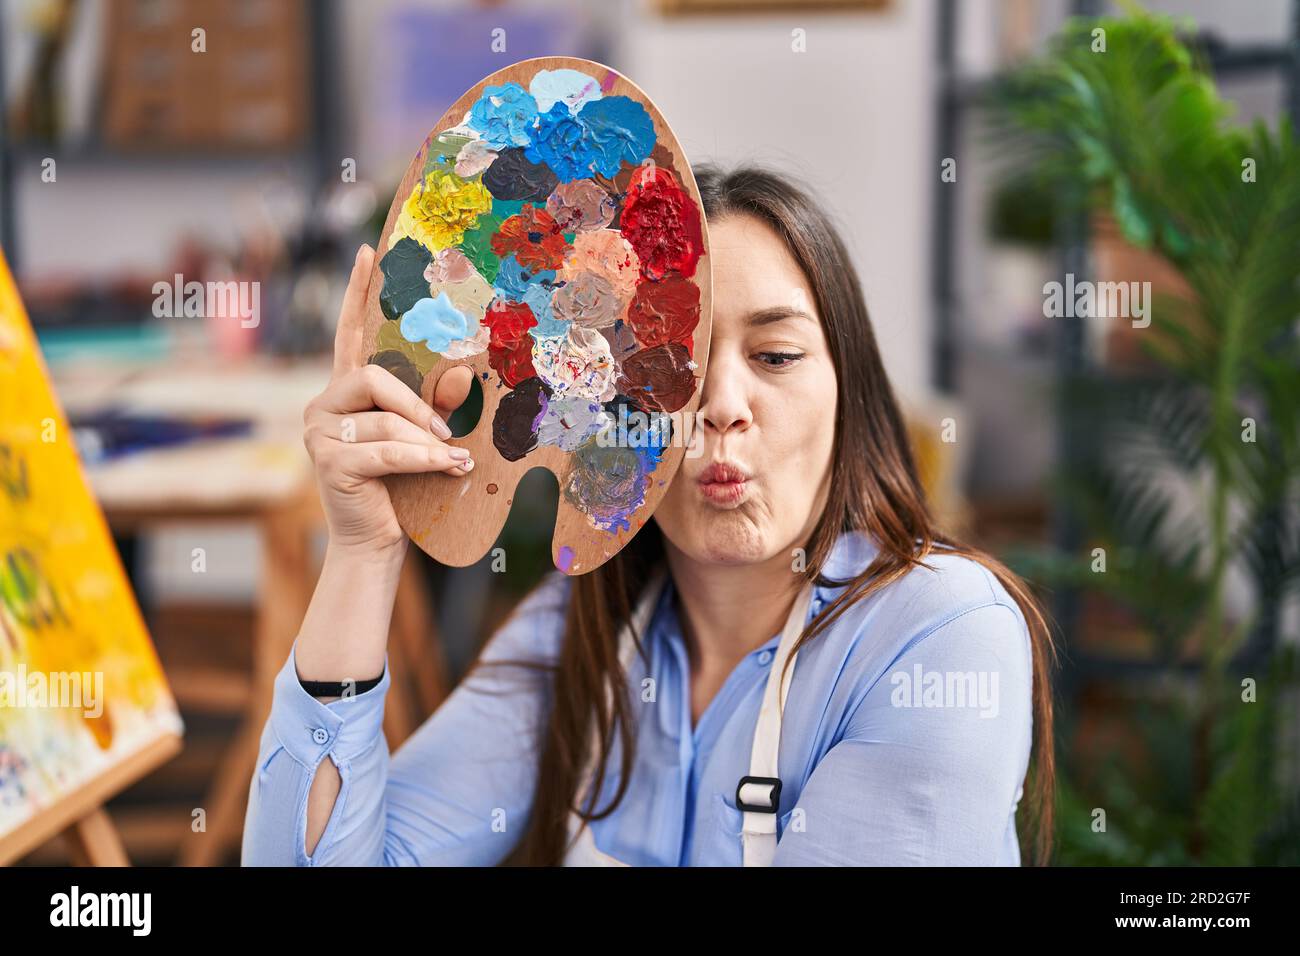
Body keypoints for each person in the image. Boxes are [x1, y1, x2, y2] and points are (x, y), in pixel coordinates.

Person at [242, 164, 1057, 867]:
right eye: (666, 361)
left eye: (776, 356)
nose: (722, 406)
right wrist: (363, 550)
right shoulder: (574, 633)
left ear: (850, 390)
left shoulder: (941, 632)